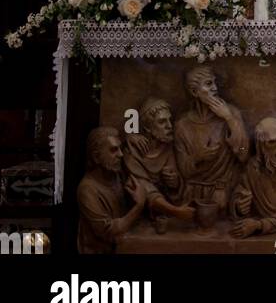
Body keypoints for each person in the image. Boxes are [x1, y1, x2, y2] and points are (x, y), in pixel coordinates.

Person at [174, 66, 248, 211]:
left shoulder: (231, 113)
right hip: (192, 196)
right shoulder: (182, 125)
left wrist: (229, 119)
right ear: (194, 92)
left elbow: (244, 153)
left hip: (221, 193)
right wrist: (197, 157)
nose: (215, 88)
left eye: (214, 83)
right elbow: (183, 170)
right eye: (208, 84)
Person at [123, 96, 195, 226]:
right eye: (162, 122)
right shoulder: (132, 152)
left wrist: (175, 183)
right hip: (138, 217)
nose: (169, 126)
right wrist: (176, 211)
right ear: (148, 128)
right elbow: (146, 190)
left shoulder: (167, 147)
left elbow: (176, 186)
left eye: (169, 120)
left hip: (164, 214)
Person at [230, 117, 276, 238]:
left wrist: (258, 225)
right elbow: (239, 194)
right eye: (272, 142)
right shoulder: (252, 170)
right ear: (261, 146)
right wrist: (239, 206)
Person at [77, 126, 147, 253]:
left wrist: (129, 138)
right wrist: (139, 205)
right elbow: (108, 232)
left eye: (120, 148)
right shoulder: (87, 190)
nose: (120, 154)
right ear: (96, 157)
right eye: (114, 150)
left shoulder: (116, 175)